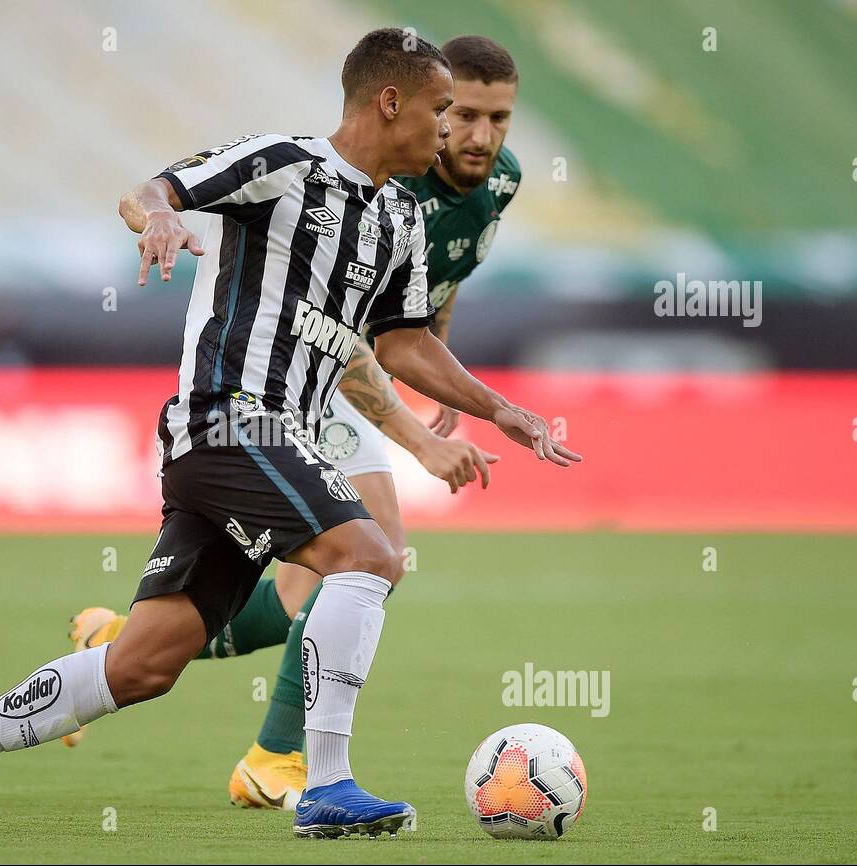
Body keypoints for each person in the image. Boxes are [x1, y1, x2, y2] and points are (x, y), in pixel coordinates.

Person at [0, 28, 577, 838]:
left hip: (277, 437)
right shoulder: (282, 163)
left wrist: (496, 406)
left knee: (143, 664)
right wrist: (157, 220)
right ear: (389, 101)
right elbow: (150, 191)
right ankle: (324, 782)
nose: (449, 129)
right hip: (227, 417)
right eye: (442, 109)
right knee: (371, 555)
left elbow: (402, 342)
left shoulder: (399, 216)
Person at [64, 36, 539, 812]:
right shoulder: (388, 179)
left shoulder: (497, 183)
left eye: (498, 119)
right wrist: (420, 441)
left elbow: (430, 297)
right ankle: (280, 757)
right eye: (461, 114)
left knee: (298, 596)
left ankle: (118, 643)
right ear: (423, 108)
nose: (479, 136)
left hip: (342, 373)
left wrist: (441, 368)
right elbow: (351, 340)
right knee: (375, 544)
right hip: (300, 380)